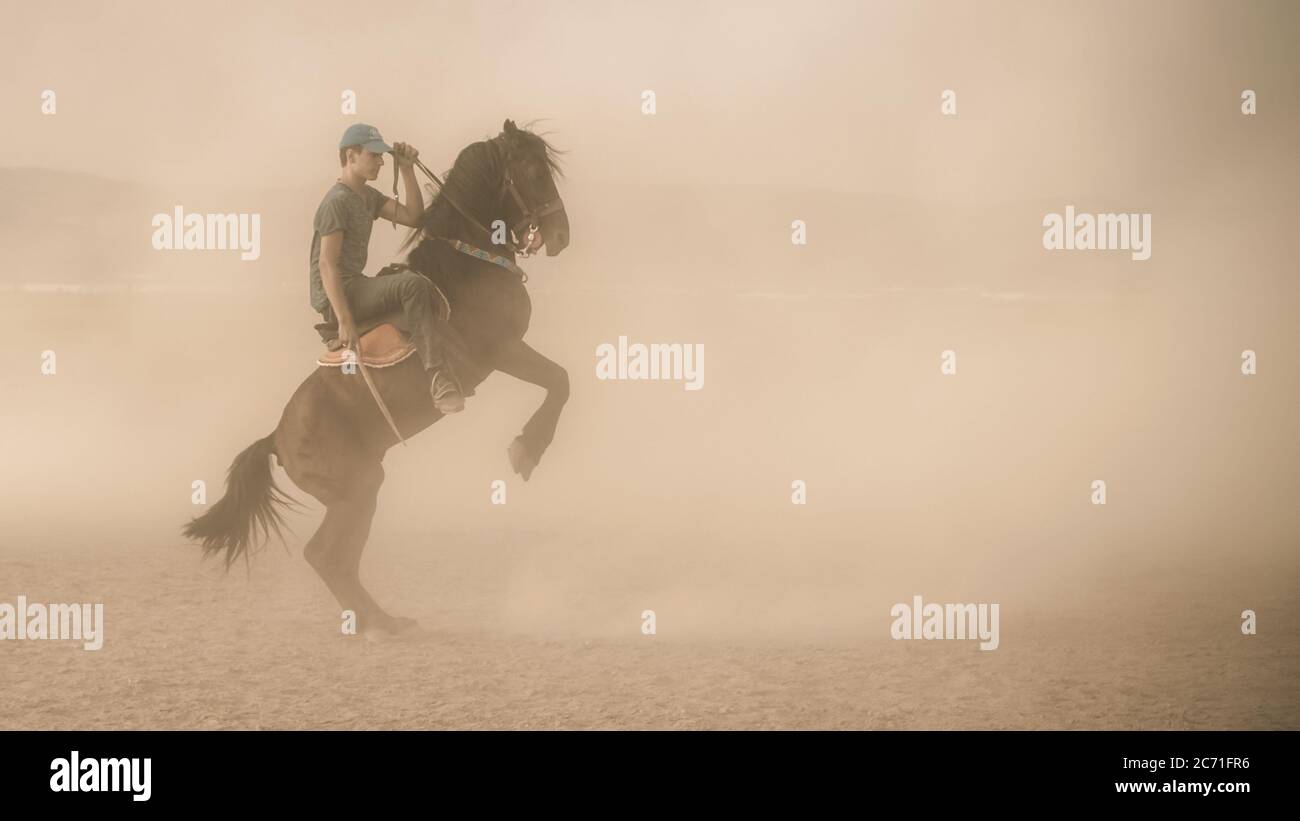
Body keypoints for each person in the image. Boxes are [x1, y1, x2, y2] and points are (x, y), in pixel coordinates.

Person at [308, 123, 468, 413]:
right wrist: (344, 319)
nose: (381, 162)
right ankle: (438, 376)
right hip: (339, 294)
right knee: (412, 284)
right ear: (351, 156)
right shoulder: (336, 202)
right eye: (374, 155)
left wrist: (407, 170)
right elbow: (326, 264)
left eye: (382, 156)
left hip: (354, 285)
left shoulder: (367, 197)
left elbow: (413, 217)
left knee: (412, 280)